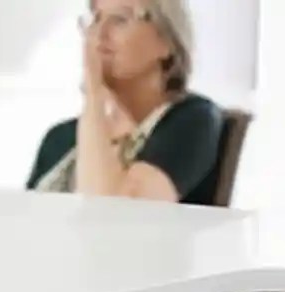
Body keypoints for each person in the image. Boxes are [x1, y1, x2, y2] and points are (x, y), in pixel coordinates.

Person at [27, 0, 225, 204]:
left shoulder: (191, 120)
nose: (99, 34)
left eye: (120, 19)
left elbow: (111, 214)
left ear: (167, 42)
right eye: (96, 18)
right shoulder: (59, 138)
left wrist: (93, 93)